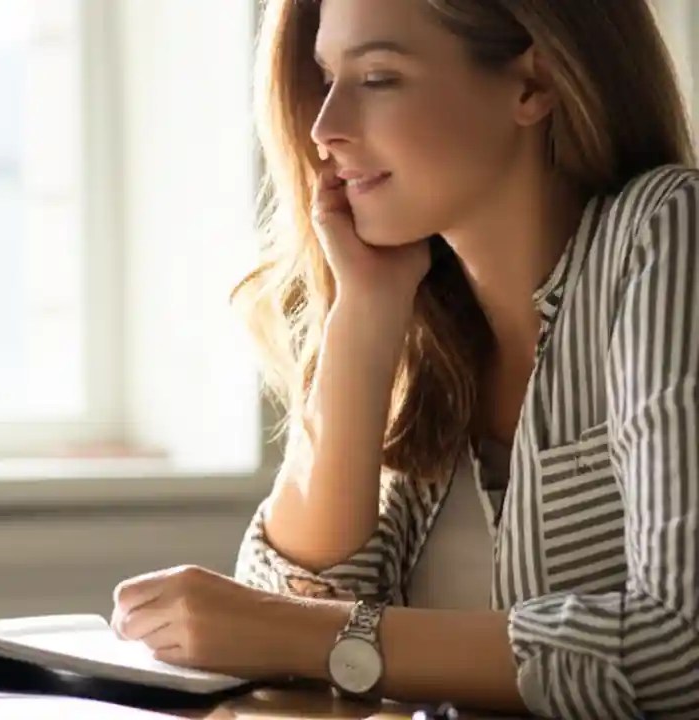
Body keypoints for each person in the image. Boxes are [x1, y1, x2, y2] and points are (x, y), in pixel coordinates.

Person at [108, 1, 699, 717]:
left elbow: (680, 645)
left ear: (532, 86)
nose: (325, 128)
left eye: (379, 77)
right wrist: (364, 310)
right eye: (326, 78)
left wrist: (296, 634)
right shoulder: (427, 325)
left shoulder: (668, 232)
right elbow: (282, 629)